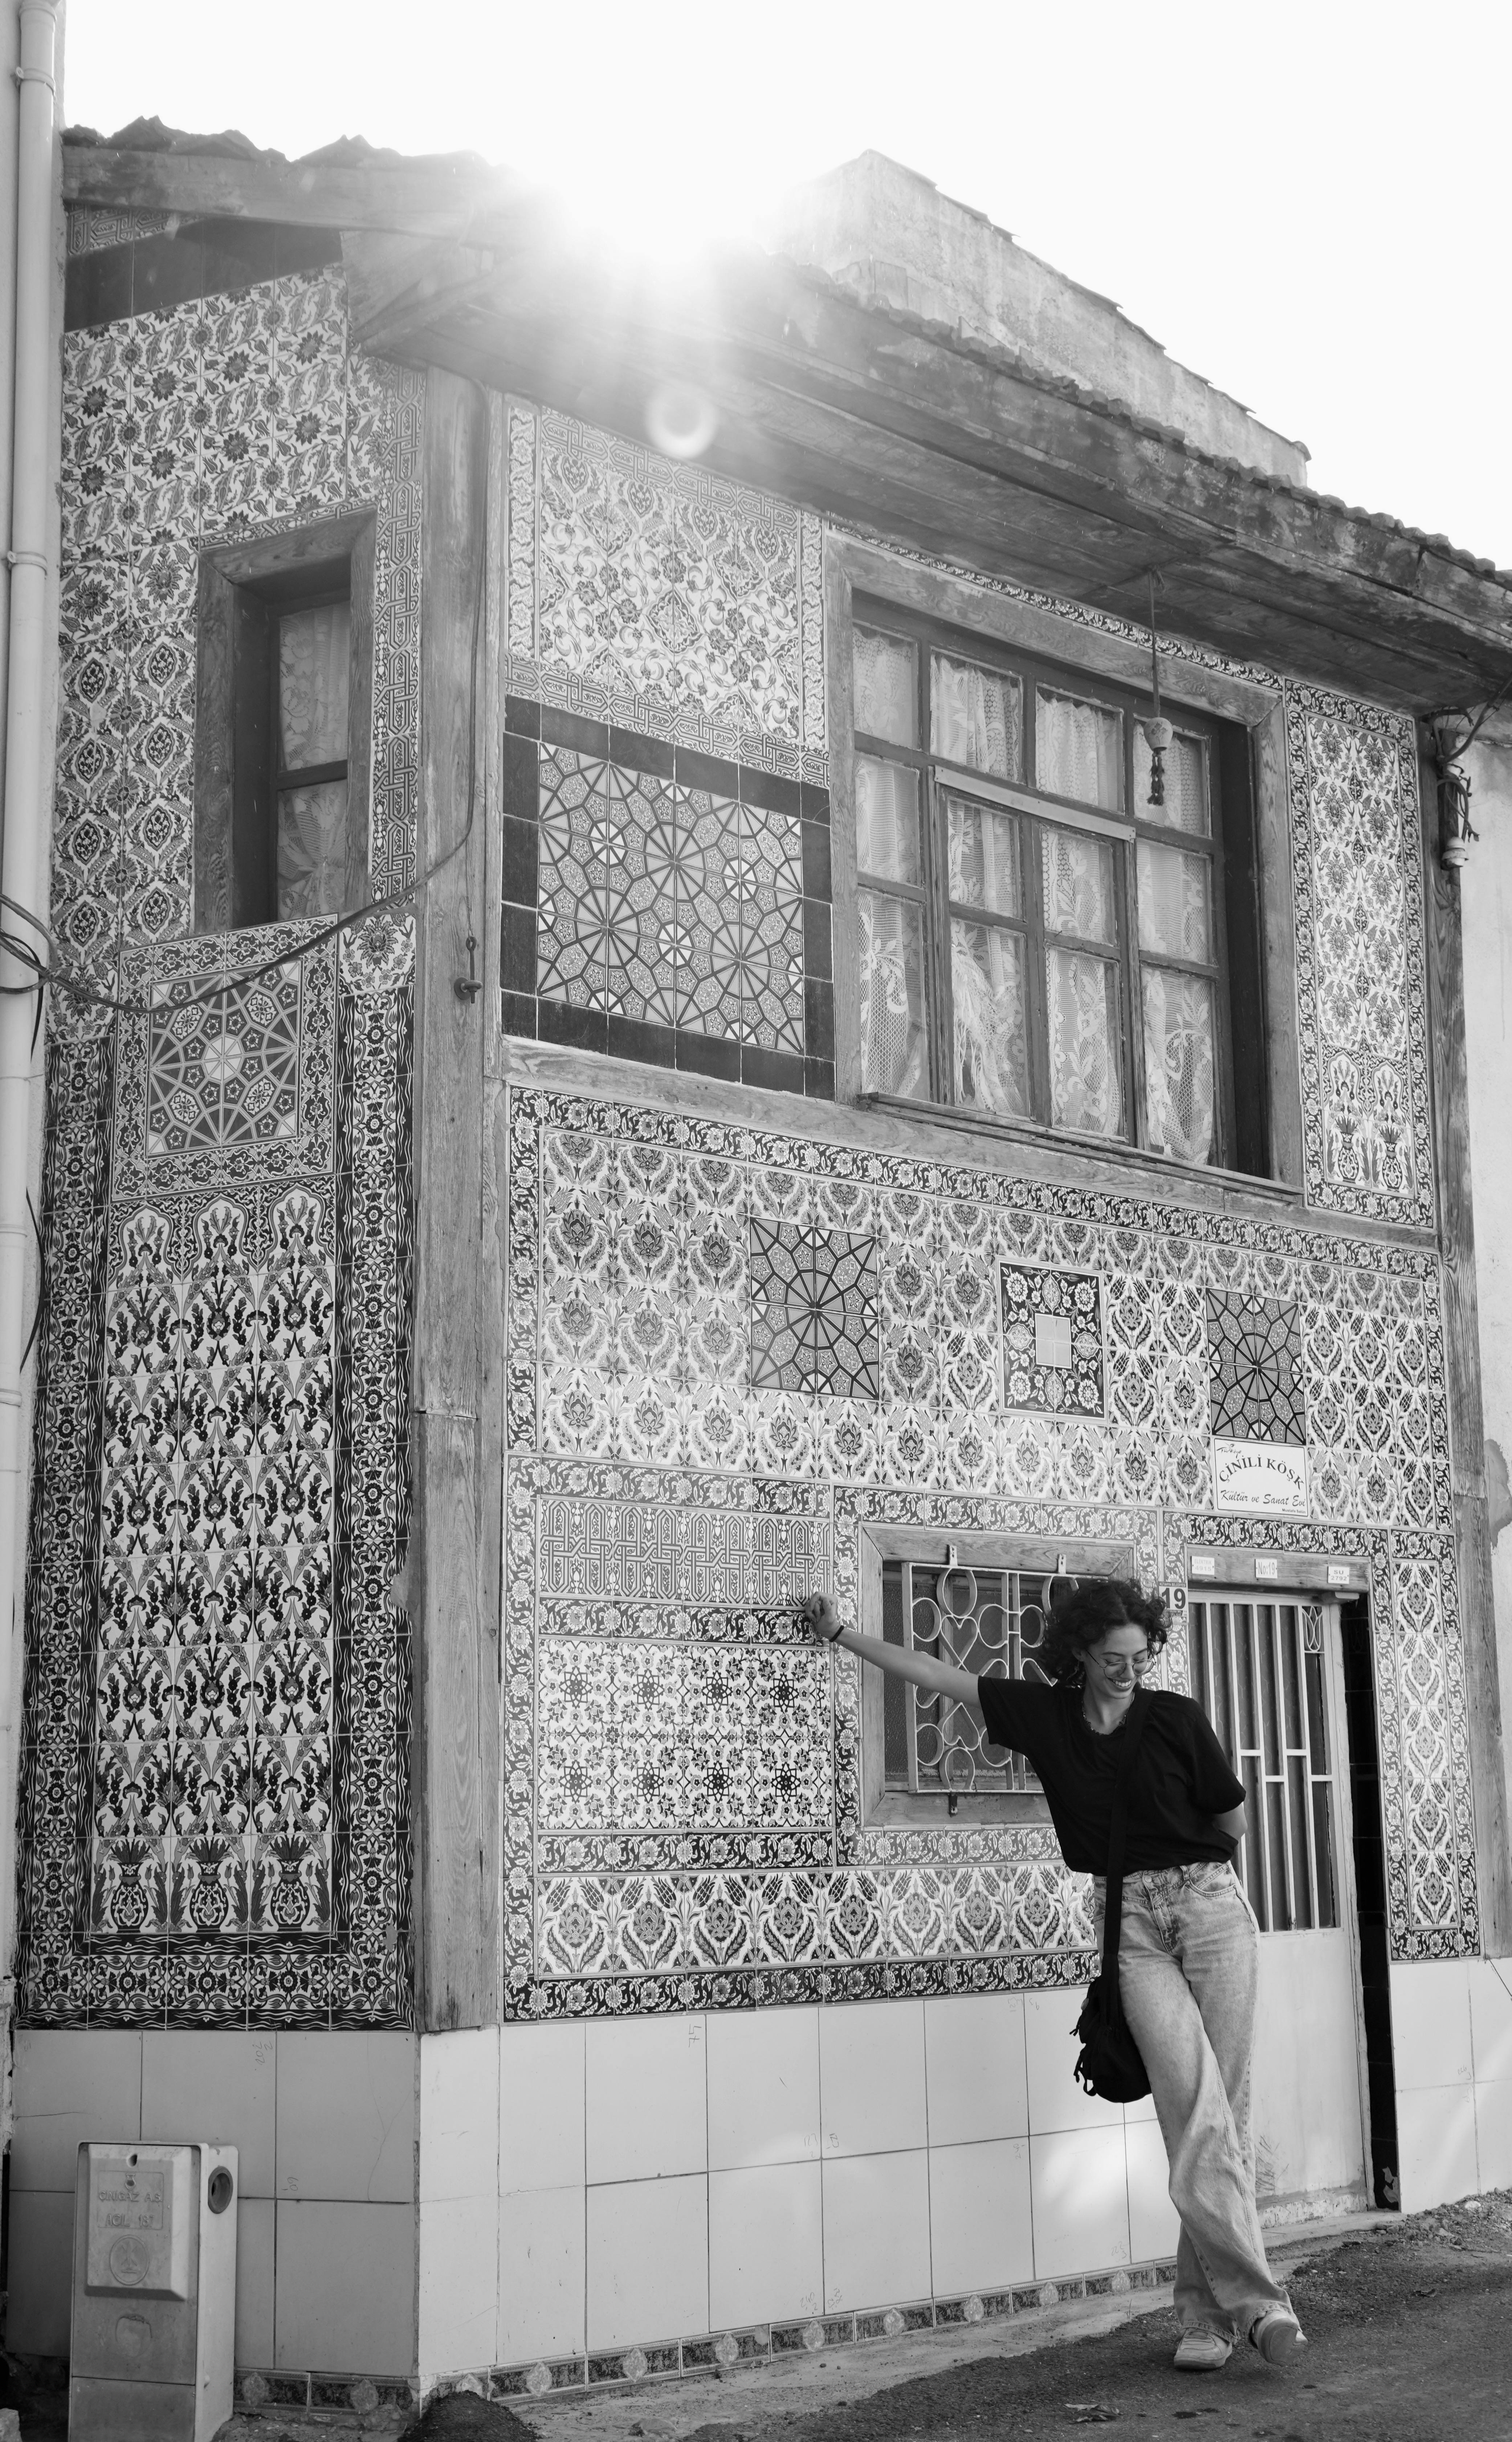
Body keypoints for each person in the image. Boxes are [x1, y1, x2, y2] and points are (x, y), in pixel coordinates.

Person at [802, 1575, 1305, 2373]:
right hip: (1128, 1927)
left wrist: (1183, 1872)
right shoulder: (1043, 1715)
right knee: (1191, 2111)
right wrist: (841, 1636)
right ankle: (1260, 2305)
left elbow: (1231, 1819)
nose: (1128, 1671)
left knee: (1219, 2119)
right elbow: (934, 1674)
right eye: (1112, 1657)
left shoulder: (1173, 1717)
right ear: (1078, 1653)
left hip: (1209, 1909)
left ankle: (1207, 2320)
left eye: (1139, 1656)